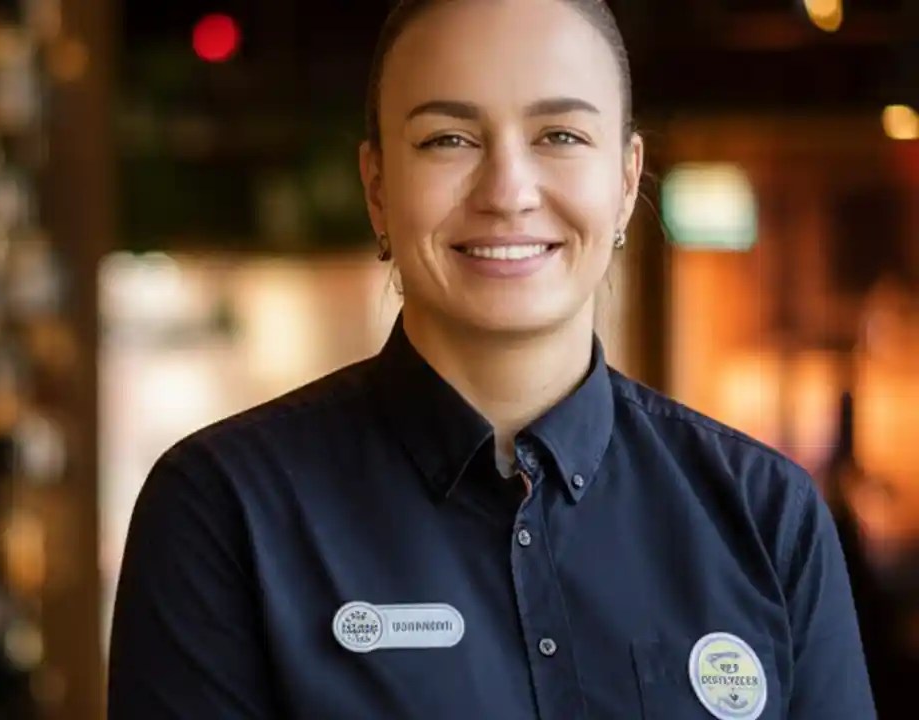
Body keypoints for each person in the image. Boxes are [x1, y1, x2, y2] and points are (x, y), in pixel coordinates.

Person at [107, 0, 876, 717]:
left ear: (626, 178)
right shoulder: (225, 510)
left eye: (560, 137)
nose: (508, 191)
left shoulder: (768, 516)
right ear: (378, 187)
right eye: (449, 139)